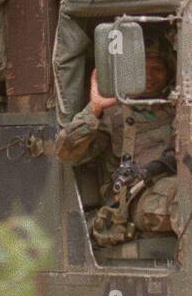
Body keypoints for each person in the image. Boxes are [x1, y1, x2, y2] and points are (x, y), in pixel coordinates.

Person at [53, 39, 178, 248]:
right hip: (136, 197)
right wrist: (94, 109)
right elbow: (67, 153)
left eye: (157, 68)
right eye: (142, 68)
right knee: (184, 200)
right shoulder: (115, 115)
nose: (150, 75)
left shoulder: (177, 109)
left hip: (181, 182)